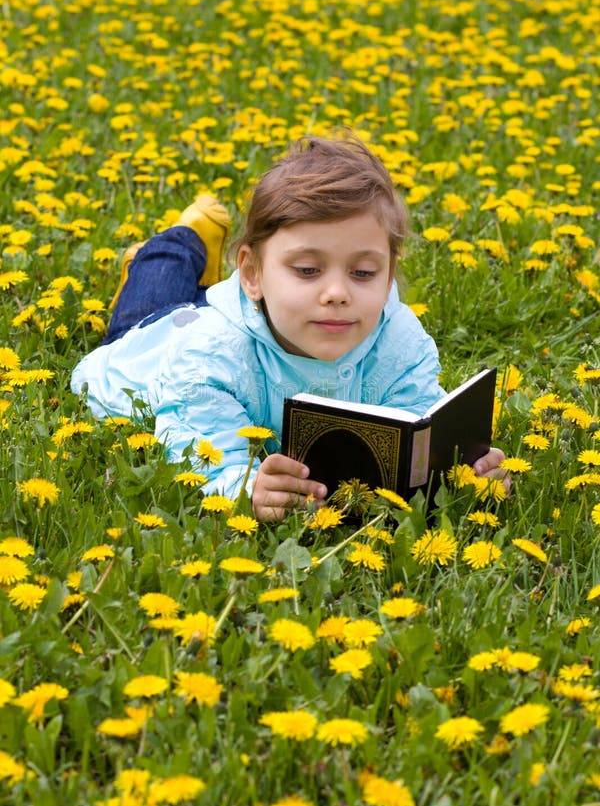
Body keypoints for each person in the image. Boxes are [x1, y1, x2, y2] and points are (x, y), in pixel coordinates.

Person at [72, 134, 506, 520]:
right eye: (307, 269)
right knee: (156, 303)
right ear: (253, 274)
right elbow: (195, 445)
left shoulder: (399, 342)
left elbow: (417, 424)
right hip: (155, 347)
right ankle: (181, 241)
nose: (337, 293)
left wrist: (461, 469)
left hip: (257, 312)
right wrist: (243, 488)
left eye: (363, 273)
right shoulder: (210, 355)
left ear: (389, 276)